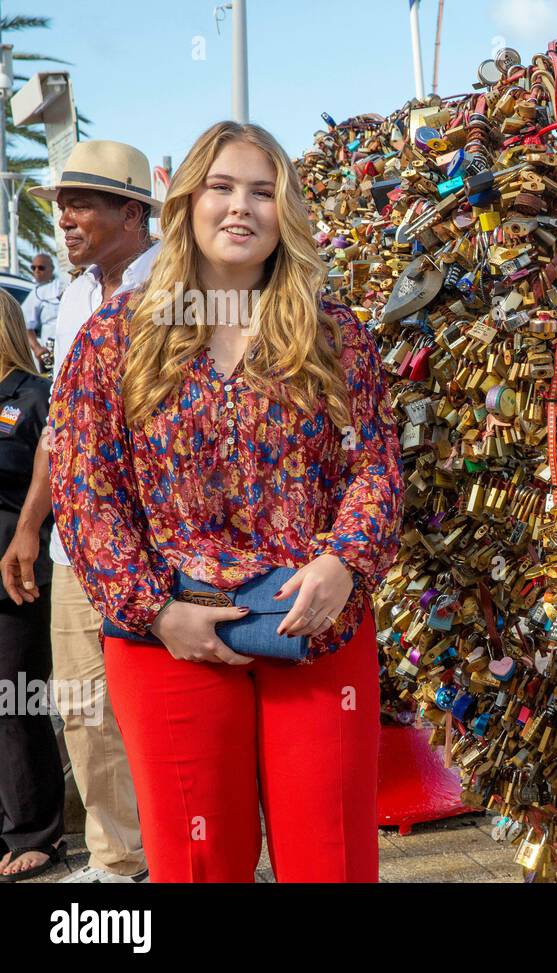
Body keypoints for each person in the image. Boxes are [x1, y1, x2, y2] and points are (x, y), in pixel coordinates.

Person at [49, 120, 403, 883]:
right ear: (186, 204)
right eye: (221, 186)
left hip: (314, 621)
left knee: (331, 859)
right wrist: (153, 609)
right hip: (173, 629)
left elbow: (373, 464)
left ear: (287, 214)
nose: (240, 207)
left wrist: (345, 560)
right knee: (198, 861)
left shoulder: (333, 335)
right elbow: (86, 492)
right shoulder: (117, 338)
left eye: (262, 191)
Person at [3, 140, 163, 883]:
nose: (63, 219)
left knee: (166, 710)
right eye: (60, 206)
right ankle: (118, 857)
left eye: (81, 204)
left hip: (162, 543)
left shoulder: (177, 285)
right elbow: (62, 426)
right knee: (82, 704)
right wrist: (33, 526)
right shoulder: (71, 299)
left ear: (132, 212)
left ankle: (183, 855)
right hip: (77, 545)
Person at [0, 291, 66, 881]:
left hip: (17, 574)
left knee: (17, 703)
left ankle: (36, 833)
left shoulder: (33, 396)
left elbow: (56, 486)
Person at [20, 252, 64, 363]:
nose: (36, 271)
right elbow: (25, 325)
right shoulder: (38, 293)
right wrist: (37, 348)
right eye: (33, 268)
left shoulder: (67, 285)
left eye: (41, 268)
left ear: (52, 269)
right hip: (51, 355)